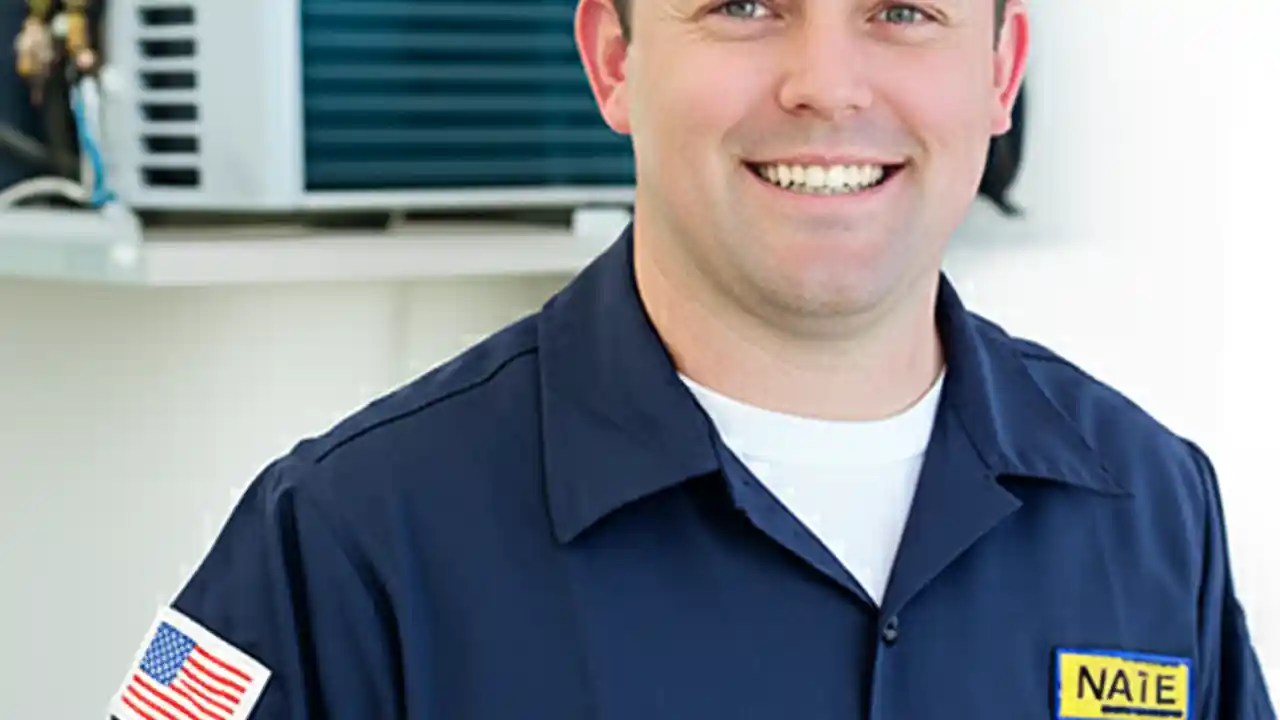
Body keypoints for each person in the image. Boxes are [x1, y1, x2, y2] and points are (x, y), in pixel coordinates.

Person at [108, 0, 1274, 717]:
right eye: (745, 2)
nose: (825, 82)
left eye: (903, 10)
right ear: (612, 57)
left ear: (998, 71)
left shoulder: (1147, 510)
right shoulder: (350, 540)